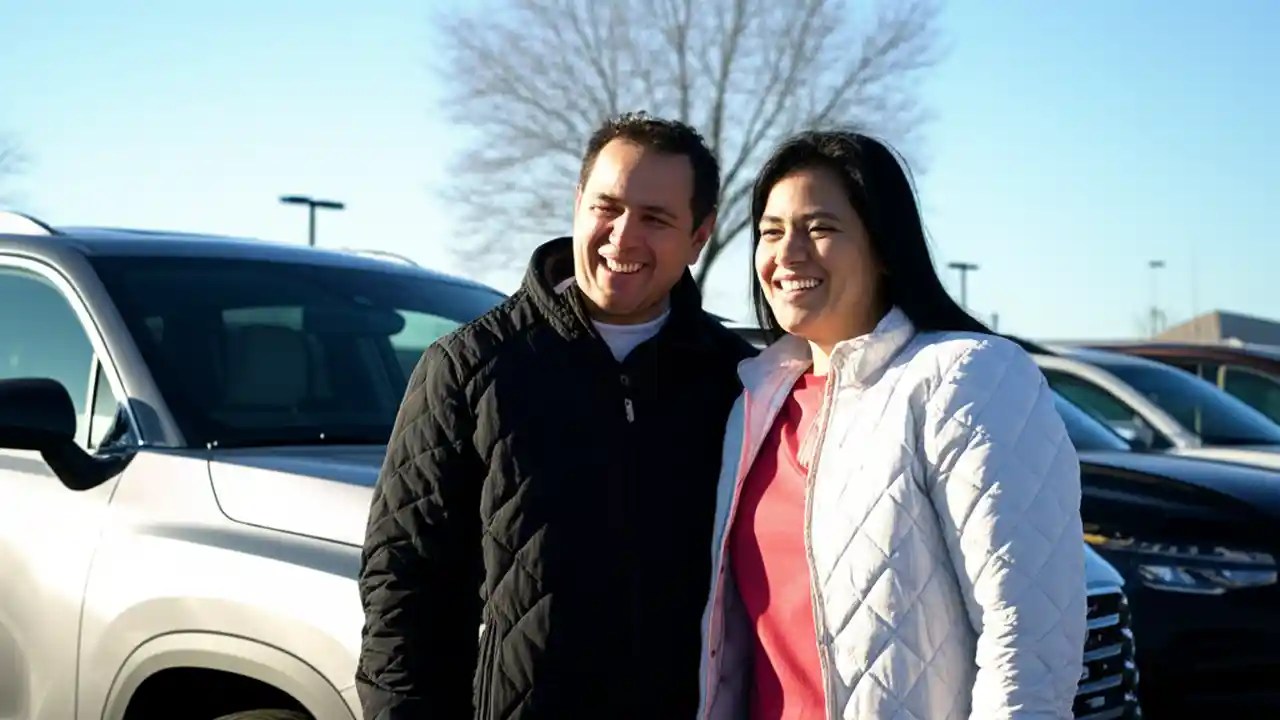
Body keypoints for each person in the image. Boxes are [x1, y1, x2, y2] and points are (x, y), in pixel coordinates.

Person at [356, 112, 757, 719]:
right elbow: (404, 583)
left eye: (656, 218)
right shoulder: (471, 366)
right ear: (577, 204)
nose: (622, 237)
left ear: (700, 236)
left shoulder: (738, 381)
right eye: (607, 207)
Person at [697, 130, 1086, 719]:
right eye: (771, 232)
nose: (788, 253)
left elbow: (1027, 637)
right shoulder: (756, 400)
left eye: (820, 228)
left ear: (883, 246)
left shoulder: (964, 378)